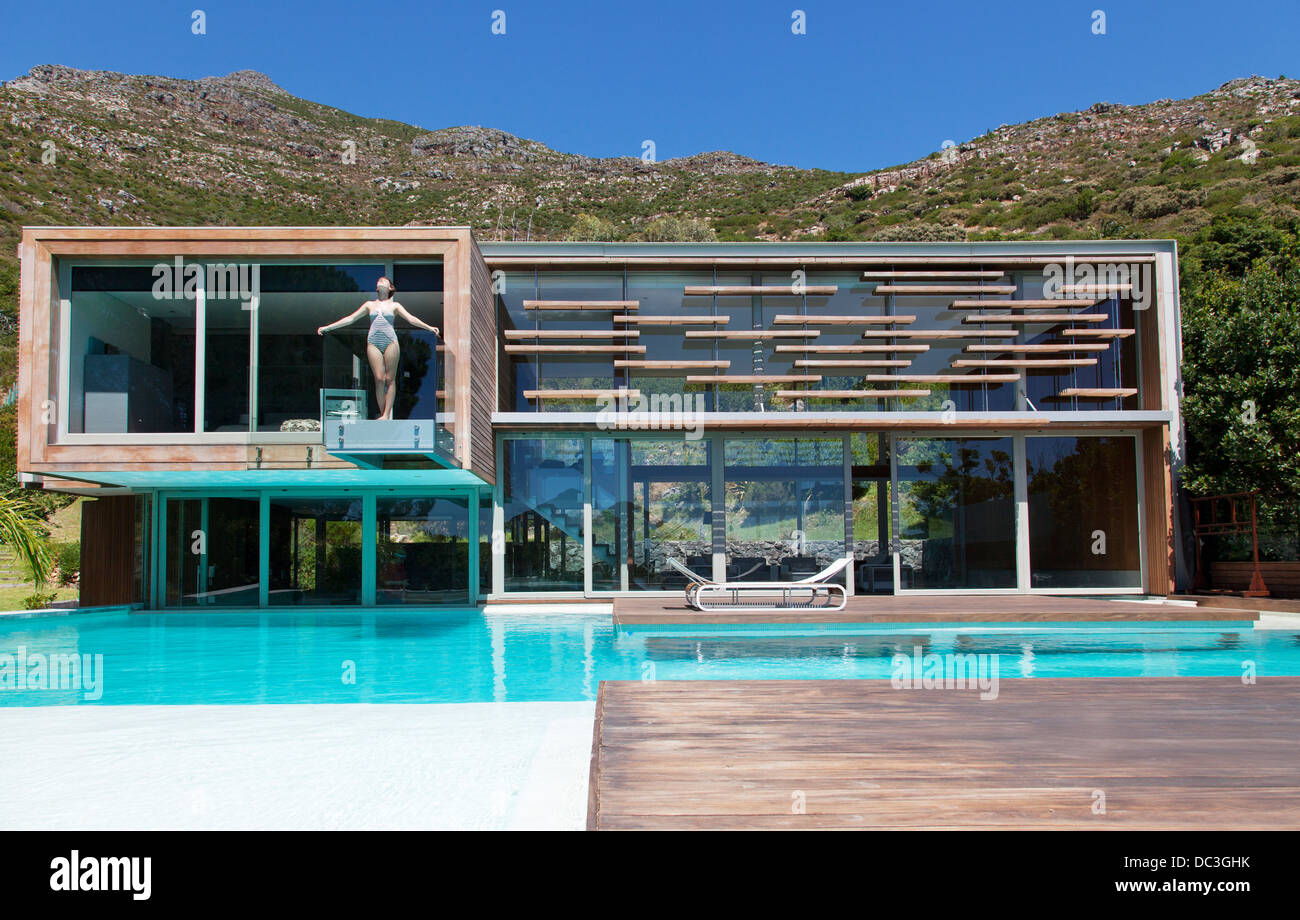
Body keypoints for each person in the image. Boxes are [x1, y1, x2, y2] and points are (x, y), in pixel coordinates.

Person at [317, 277, 439, 421]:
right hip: (373, 342)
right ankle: (384, 415)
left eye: (384, 281)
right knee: (379, 379)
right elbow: (351, 319)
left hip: (390, 341)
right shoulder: (369, 305)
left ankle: (387, 414)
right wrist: (327, 328)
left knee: (390, 379)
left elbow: (411, 319)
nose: (381, 281)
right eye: (379, 280)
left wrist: (429, 328)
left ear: (390, 288)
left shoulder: (395, 306)